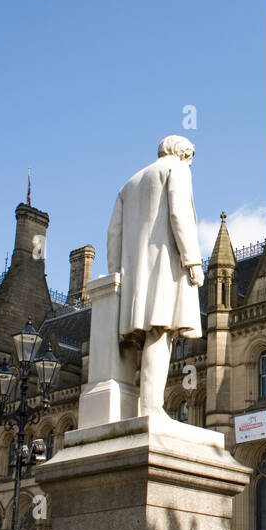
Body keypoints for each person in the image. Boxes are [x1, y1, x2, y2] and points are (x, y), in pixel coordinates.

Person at [107, 135, 204, 418]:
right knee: (160, 335)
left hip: (135, 279)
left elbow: (114, 235)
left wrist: (117, 278)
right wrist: (192, 261)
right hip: (165, 268)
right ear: (184, 154)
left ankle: (137, 408)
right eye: (192, 157)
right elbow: (179, 215)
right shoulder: (177, 169)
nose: (192, 162)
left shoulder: (130, 183)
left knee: (140, 341)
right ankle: (151, 407)